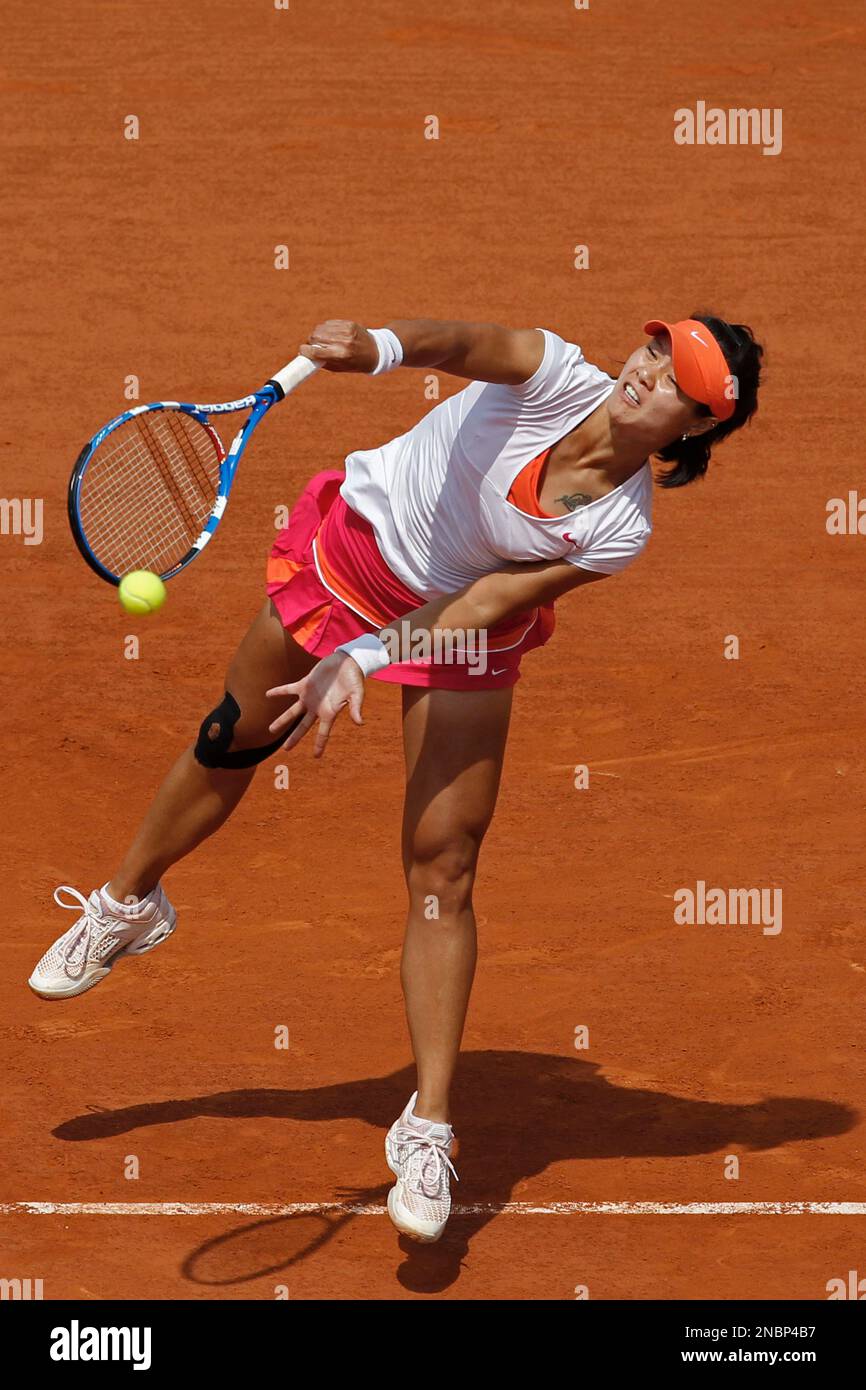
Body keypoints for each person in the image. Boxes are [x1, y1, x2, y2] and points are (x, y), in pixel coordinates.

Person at [30, 314, 764, 1243]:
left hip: (455, 625)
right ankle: (128, 903)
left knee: (443, 866)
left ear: (697, 425)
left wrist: (369, 658)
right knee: (233, 736)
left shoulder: (615, 529)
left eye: (675, 378)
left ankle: (428, 1126)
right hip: (355, 555)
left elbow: (493, 598)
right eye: (656, 348)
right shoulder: (553, 372)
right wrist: (377, 344)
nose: (646, 371)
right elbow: (456, 343)